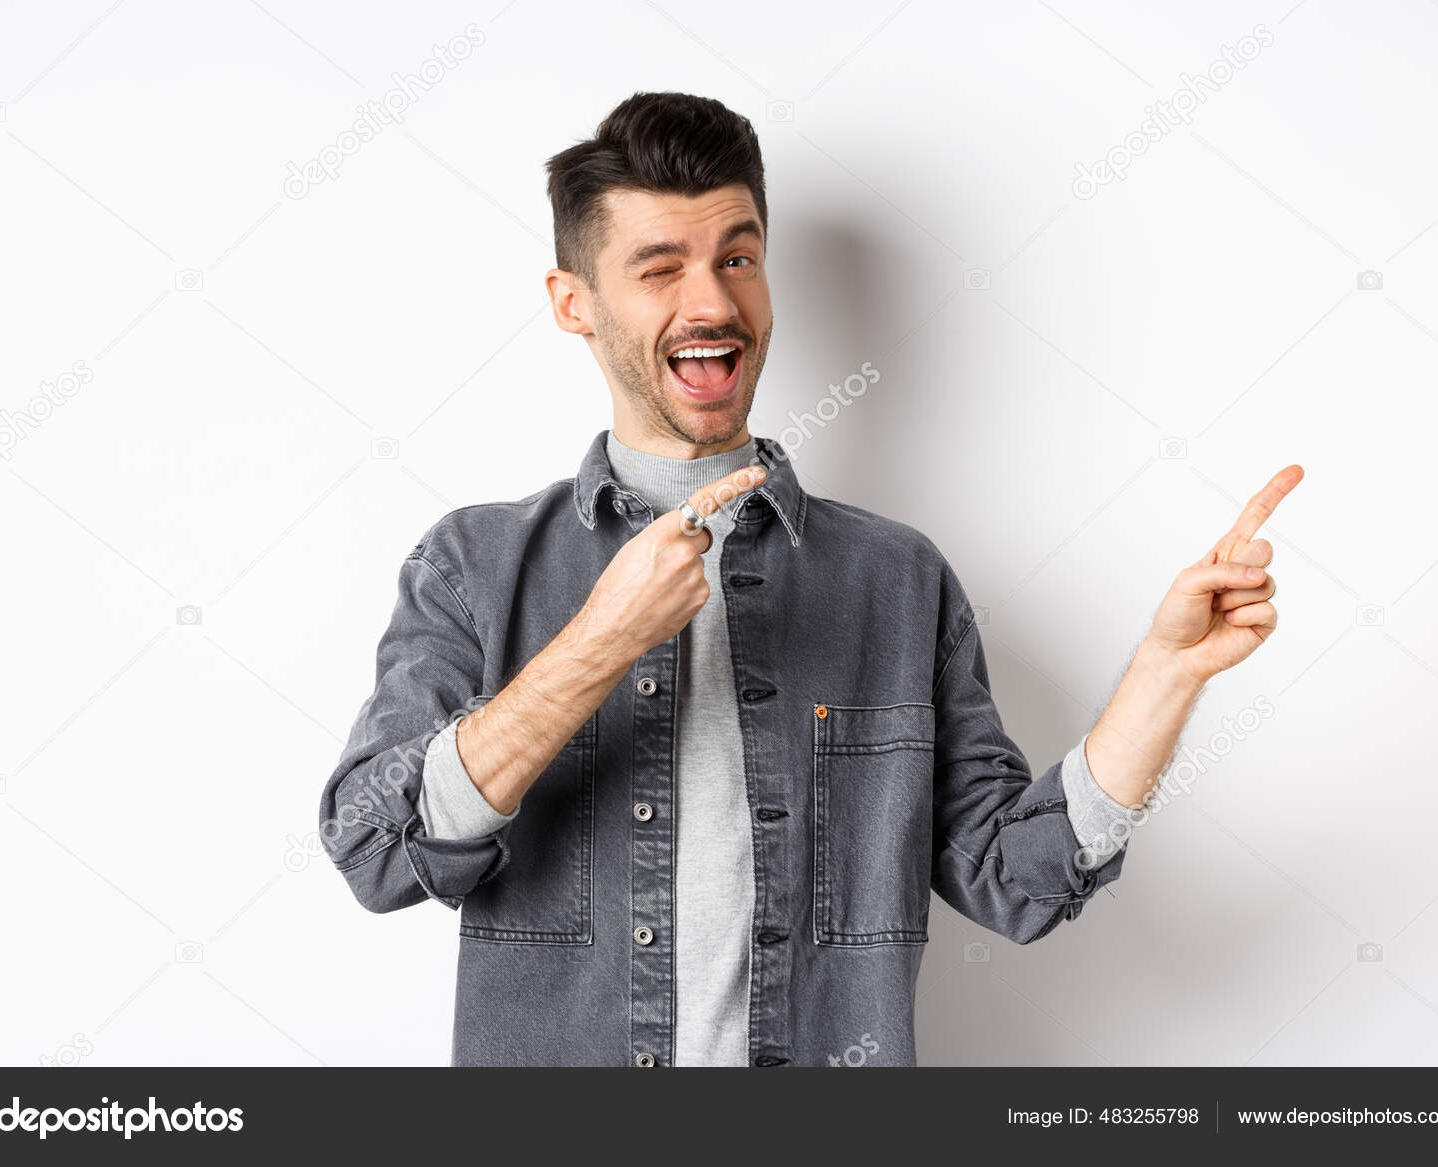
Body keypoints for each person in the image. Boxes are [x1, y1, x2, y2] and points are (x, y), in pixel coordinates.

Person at [317, 91, 1302, 1067]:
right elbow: (374, 852)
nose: (711, 303)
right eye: (660, 268)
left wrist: (1166, 674)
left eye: (736, 259)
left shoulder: (896, 581)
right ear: (573, 303)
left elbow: (1016, 881)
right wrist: (597, 643)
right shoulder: (472, 567)